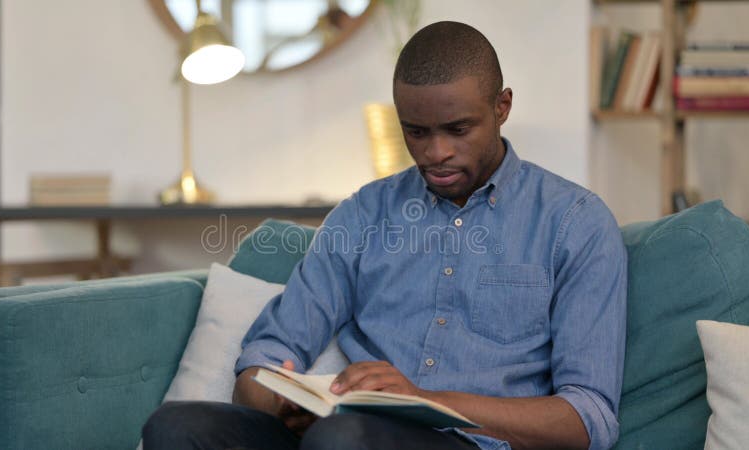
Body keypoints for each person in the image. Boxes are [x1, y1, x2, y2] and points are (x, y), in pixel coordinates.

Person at [143, 21, 627, 450]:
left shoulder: (575, 223)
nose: (435, 152)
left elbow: (588, 419)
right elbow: (264, 357)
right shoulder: (363, 215)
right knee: (176, 426)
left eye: (458, 129)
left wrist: (424, 401)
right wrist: (277, 400)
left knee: (346, 438)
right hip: (341, 435)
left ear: (502, 107)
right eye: (415, 132)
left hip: (468, 443)